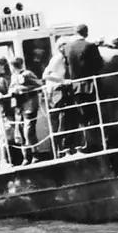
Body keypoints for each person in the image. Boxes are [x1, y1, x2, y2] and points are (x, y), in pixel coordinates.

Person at [64, 24, 105, 152]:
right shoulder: (90, 46)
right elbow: (99, 65)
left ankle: (85, 143)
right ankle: (94, 144)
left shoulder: (67, 47)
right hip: (89, 85)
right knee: (93, 114)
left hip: (75, 87)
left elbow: (67, 65)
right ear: (86, 33)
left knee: (82, 116)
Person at [43, 38, 73, 155]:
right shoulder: (58, 58)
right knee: (61, 119)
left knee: (64, 118)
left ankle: (63, 148)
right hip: (57, 91)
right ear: (60, 47)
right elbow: (45, 75)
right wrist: (63, 81)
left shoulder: (62, 58)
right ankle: (62, 148)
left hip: (60, 90)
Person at [11, 57, 43, 164]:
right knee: (20, 131)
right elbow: (11, 88)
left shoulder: (27, 74)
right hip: (19, 107)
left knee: (28, 131)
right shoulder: (14, 77)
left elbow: (39, 84)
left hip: (29, 104)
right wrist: (13, 90)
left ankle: (35, 154)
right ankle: (26, 157)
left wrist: (23, 88)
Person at [0, 57, 17, 166]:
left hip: (12, 108)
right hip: (1, 110)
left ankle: (12, 159)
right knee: (4, 135)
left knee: (12, 134)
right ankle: (3, 160)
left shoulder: (9, 76)